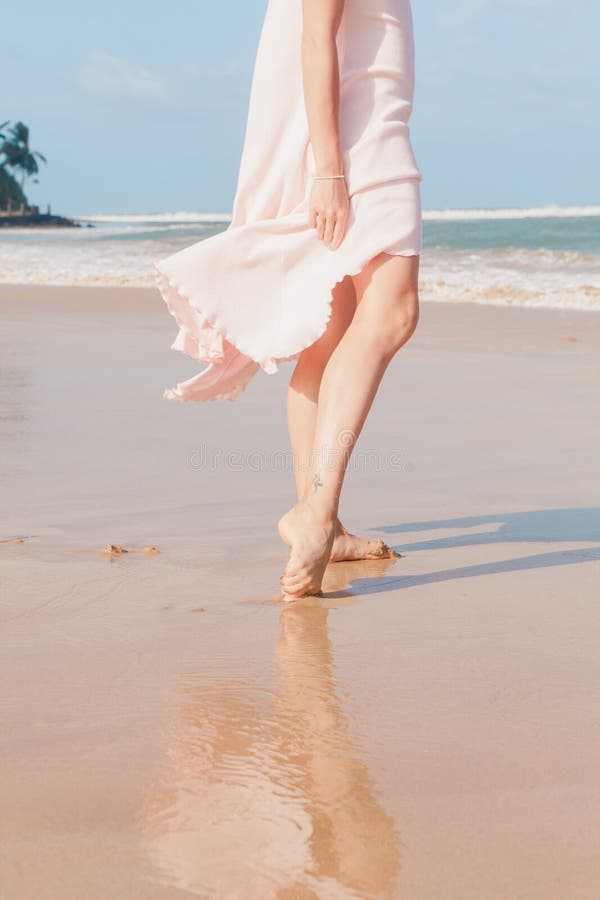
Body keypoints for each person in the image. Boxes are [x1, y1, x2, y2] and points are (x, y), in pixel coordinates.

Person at [153, 0, 423, 600]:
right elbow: (312, 36)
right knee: (394, 311)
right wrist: (328, 169)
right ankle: (317, 512)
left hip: (361, 123)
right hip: (358, 138)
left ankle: (320, 516)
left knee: (330, 332)